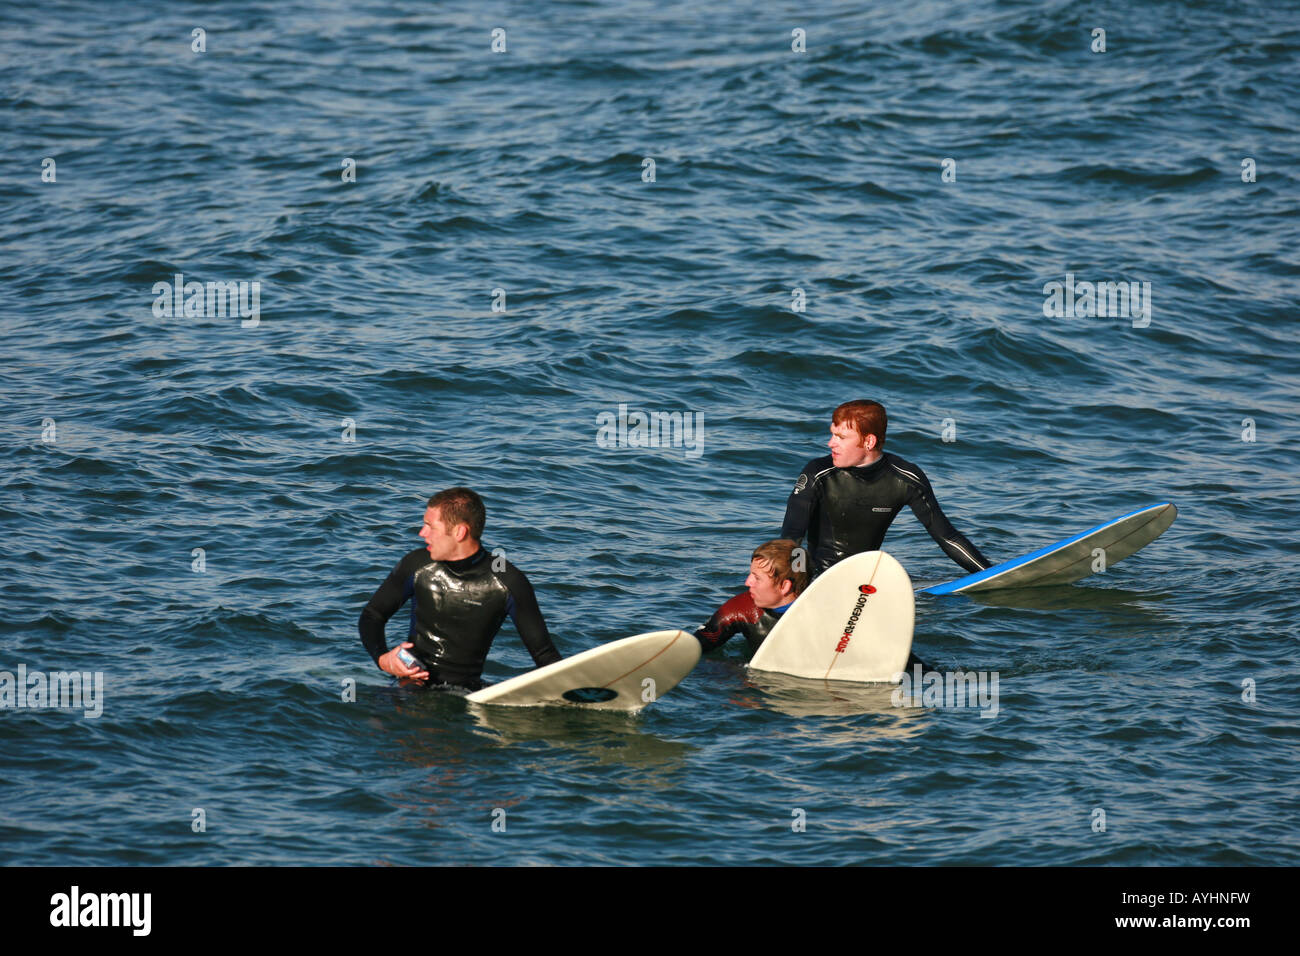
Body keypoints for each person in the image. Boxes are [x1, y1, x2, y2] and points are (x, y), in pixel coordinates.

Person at [358, 487, 561, 690]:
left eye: (430, 526)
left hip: (468, 691)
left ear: (459, 532)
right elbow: (372, 615)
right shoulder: (417, 565)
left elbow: (544, 654)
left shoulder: (508, 582)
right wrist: (382, 659)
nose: (422, 533)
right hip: (411, 685)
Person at [781, 400, 992, 579]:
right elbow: (791, 537)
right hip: (818, 577)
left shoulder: (905, 479)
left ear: (869, 441)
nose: (830, 443)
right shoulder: (818, 473)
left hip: (865, 580)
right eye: (832, 434)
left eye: (841, 437)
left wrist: (989, 576)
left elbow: (948, 537)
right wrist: (795, 586)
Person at [695, 539, 808, 652]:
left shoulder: (820, 611)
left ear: (784, 586)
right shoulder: (742, 608)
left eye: (757, 578)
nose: (747, 582)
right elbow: (694, 648)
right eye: (750, 574)